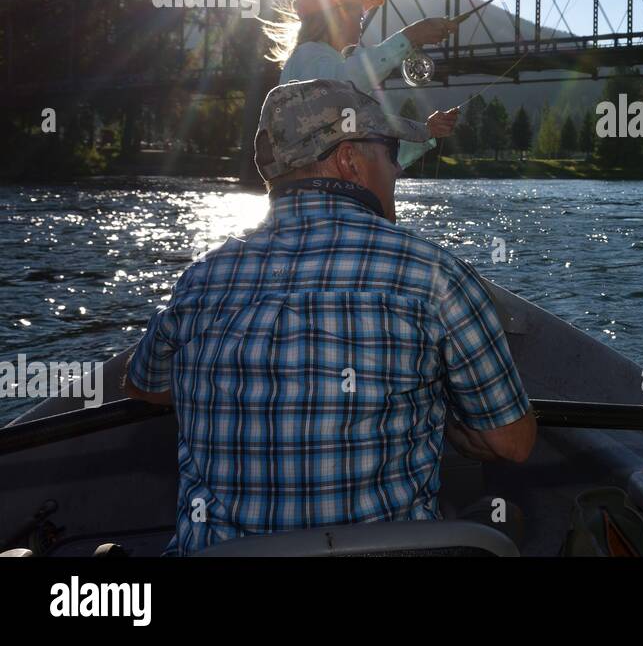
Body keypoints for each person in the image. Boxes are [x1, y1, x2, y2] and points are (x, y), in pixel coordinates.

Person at [123, 78, 536, 555]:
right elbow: (513, 443)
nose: (398, 169)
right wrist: (441, 416)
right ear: (350, 161)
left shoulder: (201, 278)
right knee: (505, 520)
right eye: (390, 150)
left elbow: (143, 387)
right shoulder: (432, 274)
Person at [265, 0, 460, 170]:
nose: (362, 23)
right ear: (336, 14)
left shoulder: (316, 60)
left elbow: (370, 147)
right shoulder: (309, 54)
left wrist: (427, 131)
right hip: (320, 196)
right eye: (360, 16)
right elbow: (337, 87)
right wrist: (409, 37)